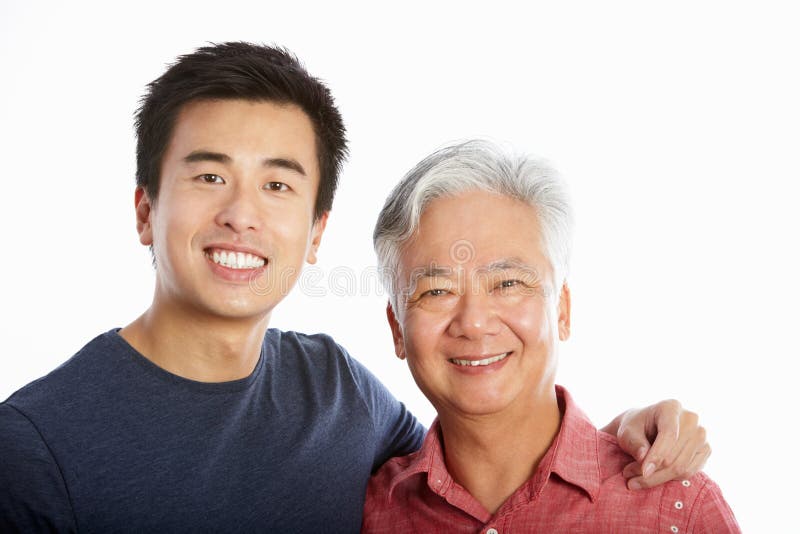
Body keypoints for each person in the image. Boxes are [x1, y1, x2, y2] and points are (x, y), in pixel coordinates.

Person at [0, 43, 709, 532]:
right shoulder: (33, 448)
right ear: (145, 210)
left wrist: (623, 432)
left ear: (314, 234)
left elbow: (475, 434)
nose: (242, 214)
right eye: (210, 175)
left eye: (278, 184)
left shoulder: (336, 391)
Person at [363, 140, 740, 532]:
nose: (474, 322)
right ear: (397, 329)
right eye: (436, 291)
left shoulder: (676, 509)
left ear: (561, 309)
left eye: (508, 283)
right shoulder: (369, 511)